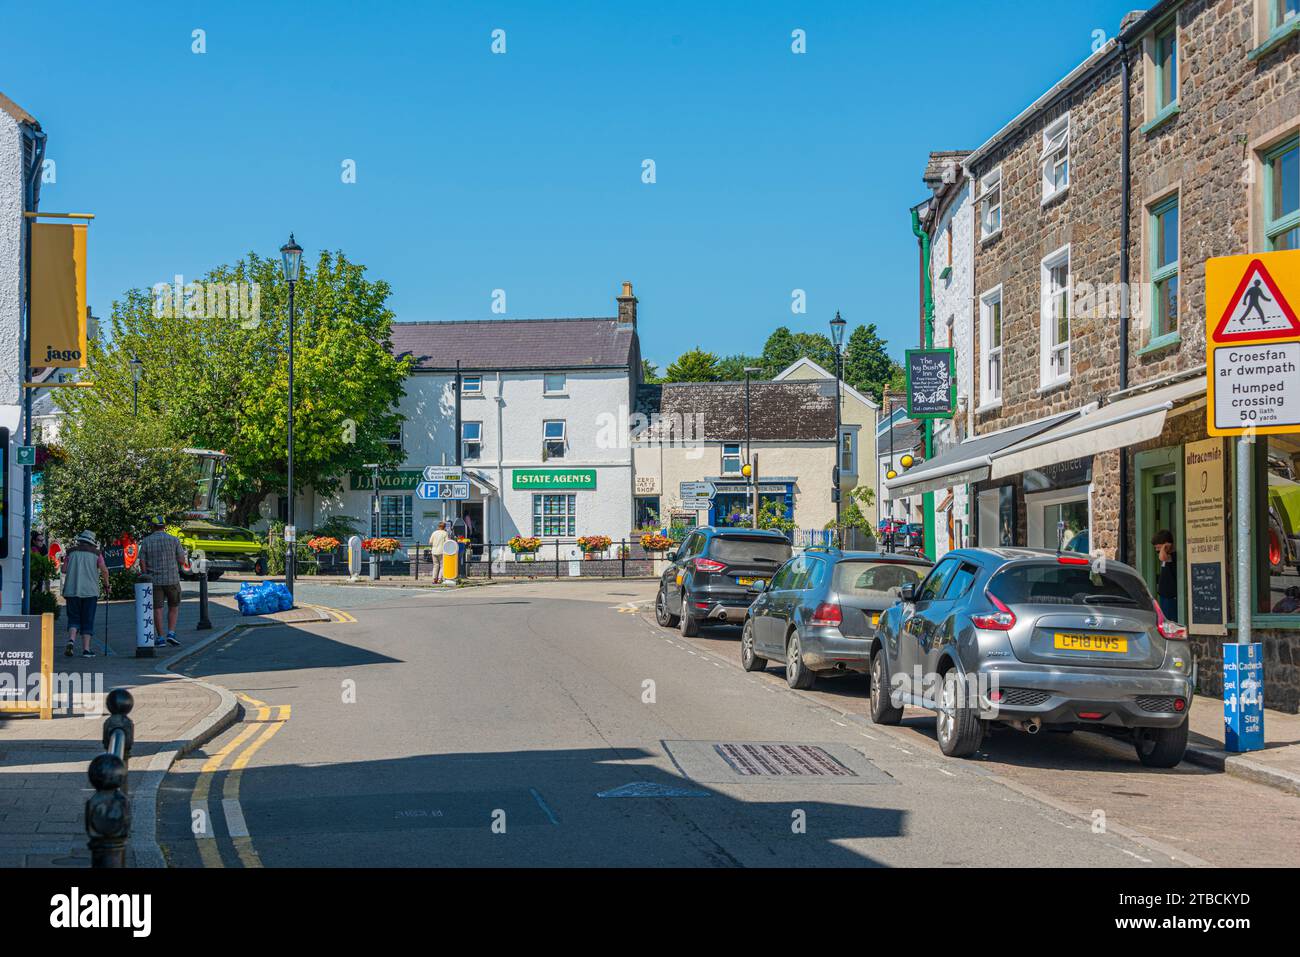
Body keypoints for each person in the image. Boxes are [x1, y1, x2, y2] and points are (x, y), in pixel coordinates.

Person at [137, 516, 188, 647]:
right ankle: (171, 633)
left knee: (157, 609)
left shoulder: (146, 541)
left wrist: (145, 575)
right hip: (172, 579)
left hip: (154, 581)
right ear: (164, 526)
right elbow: (182, 561)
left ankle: (160, 637)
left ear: (152, 526)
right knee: (174, 607)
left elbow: (142, 562)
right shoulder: (174, 540)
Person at [61, 530, 110, 658]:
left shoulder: (70, 552)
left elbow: (64, 569)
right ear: (92, 542)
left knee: (73, 618)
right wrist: (106, 585)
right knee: (87, 620)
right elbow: (104, 571)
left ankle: (71, 640)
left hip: (71, 591)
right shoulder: (96, 554)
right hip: (90, 592)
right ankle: (86, 650)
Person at [1151, 529, 1179, 622]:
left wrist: (1164, 547)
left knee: (1170, 621)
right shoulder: (1167, 556)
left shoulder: (1172, 556)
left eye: (1159, 548)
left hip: (1170, 595)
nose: (1157, 551)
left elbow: (1162, 557)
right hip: (1164, 595)